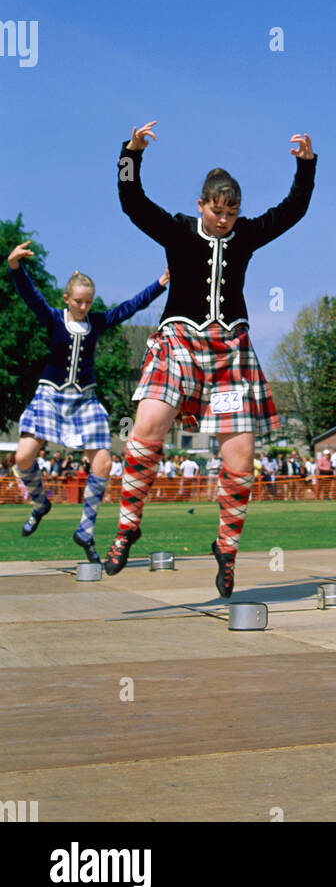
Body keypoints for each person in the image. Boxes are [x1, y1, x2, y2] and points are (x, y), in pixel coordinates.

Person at [104, 120, 316, 598]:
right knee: (147, 426)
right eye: (217, 212)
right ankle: (127, 527)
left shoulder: (245, 235)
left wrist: (305, 165)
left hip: (230, 355)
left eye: (232, 213)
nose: (225, 220)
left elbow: (292, 211)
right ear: (202, 205)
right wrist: (130, 152)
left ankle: (226, 548)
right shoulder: (177, 231)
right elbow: (132, 202)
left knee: (240, 458)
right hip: (179, 342)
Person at [6, 240, 167, 562]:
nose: (84, 307)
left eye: (88, 302)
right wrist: (14, 266)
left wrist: (160, 284)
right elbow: (29, 296)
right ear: (66, 299)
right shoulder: (53, 318)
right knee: (23, 458)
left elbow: (128, 307)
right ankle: (40, 504)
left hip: (85, 399)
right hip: (50, 395)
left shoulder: (96, 322)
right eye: (78, 302)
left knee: (104, 463)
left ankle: (85, 531)